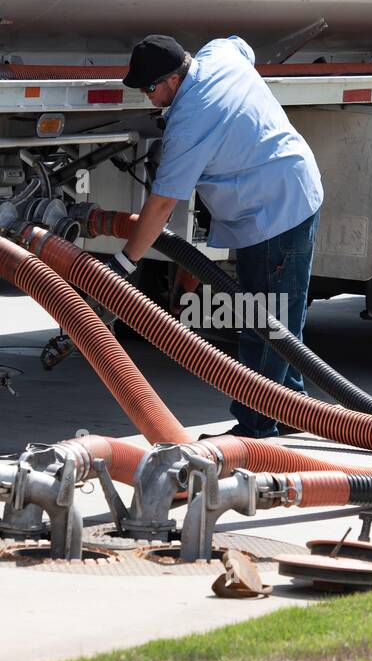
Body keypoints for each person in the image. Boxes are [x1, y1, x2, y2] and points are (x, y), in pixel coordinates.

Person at [112, 34, 323, 438]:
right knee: (280, 318)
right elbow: (244, 45)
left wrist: (124, 263)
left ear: (174, 80)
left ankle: (256, 428)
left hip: (274, 211)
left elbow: (161, 206)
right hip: (292, 187)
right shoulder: (218, 54)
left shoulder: (190, 120)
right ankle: (295, 410)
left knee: (267, 323)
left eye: (149, 88)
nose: (145, 96)